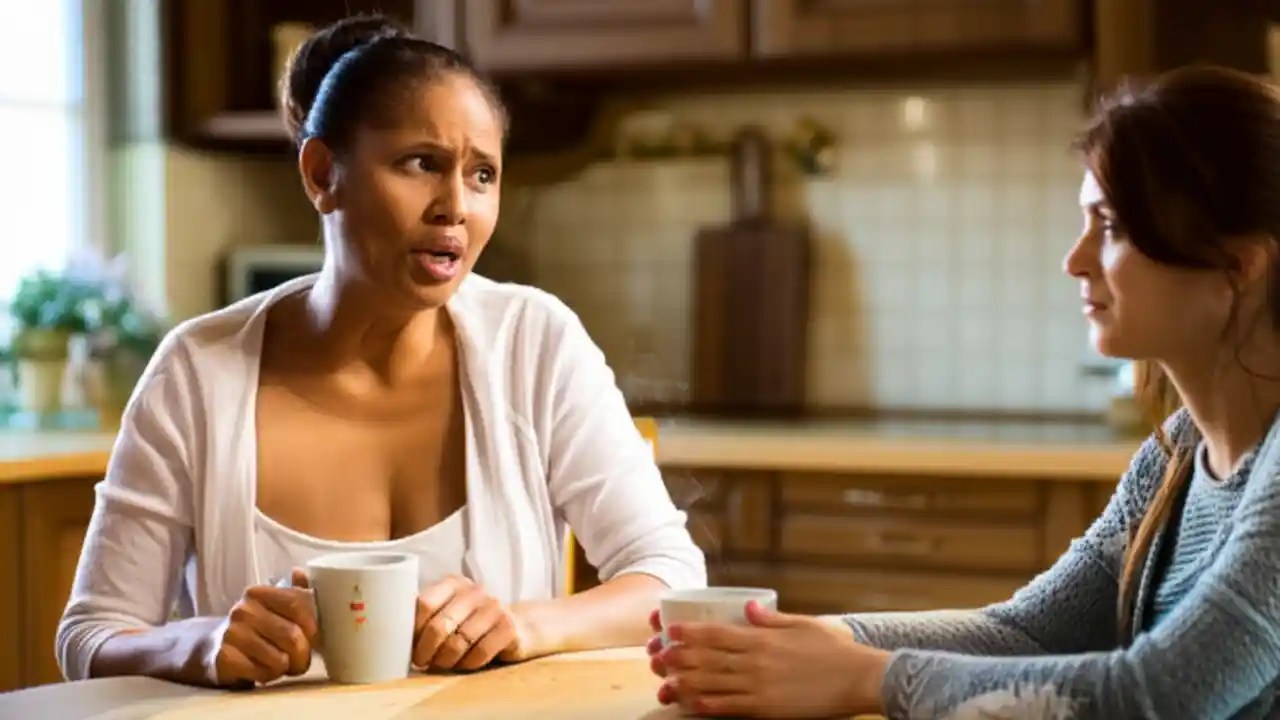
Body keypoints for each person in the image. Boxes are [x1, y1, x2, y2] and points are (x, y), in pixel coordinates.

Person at [57, 14, 705, 689]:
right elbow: (90, 634)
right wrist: (199, 643)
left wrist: (525, 624)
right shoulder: (197, 370)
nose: (455, 205)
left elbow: (670, 575)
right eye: (421, 164)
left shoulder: (534, 342)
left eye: (482, 175)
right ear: (321, 173)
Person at [648, 64, 1280, 719]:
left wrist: (870, 678)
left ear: (1237, 265)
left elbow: (1159, 696)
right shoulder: (1174, 457)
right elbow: (1027, 633)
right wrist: (825, 642)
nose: (1076, 259)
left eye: (1111, 226)